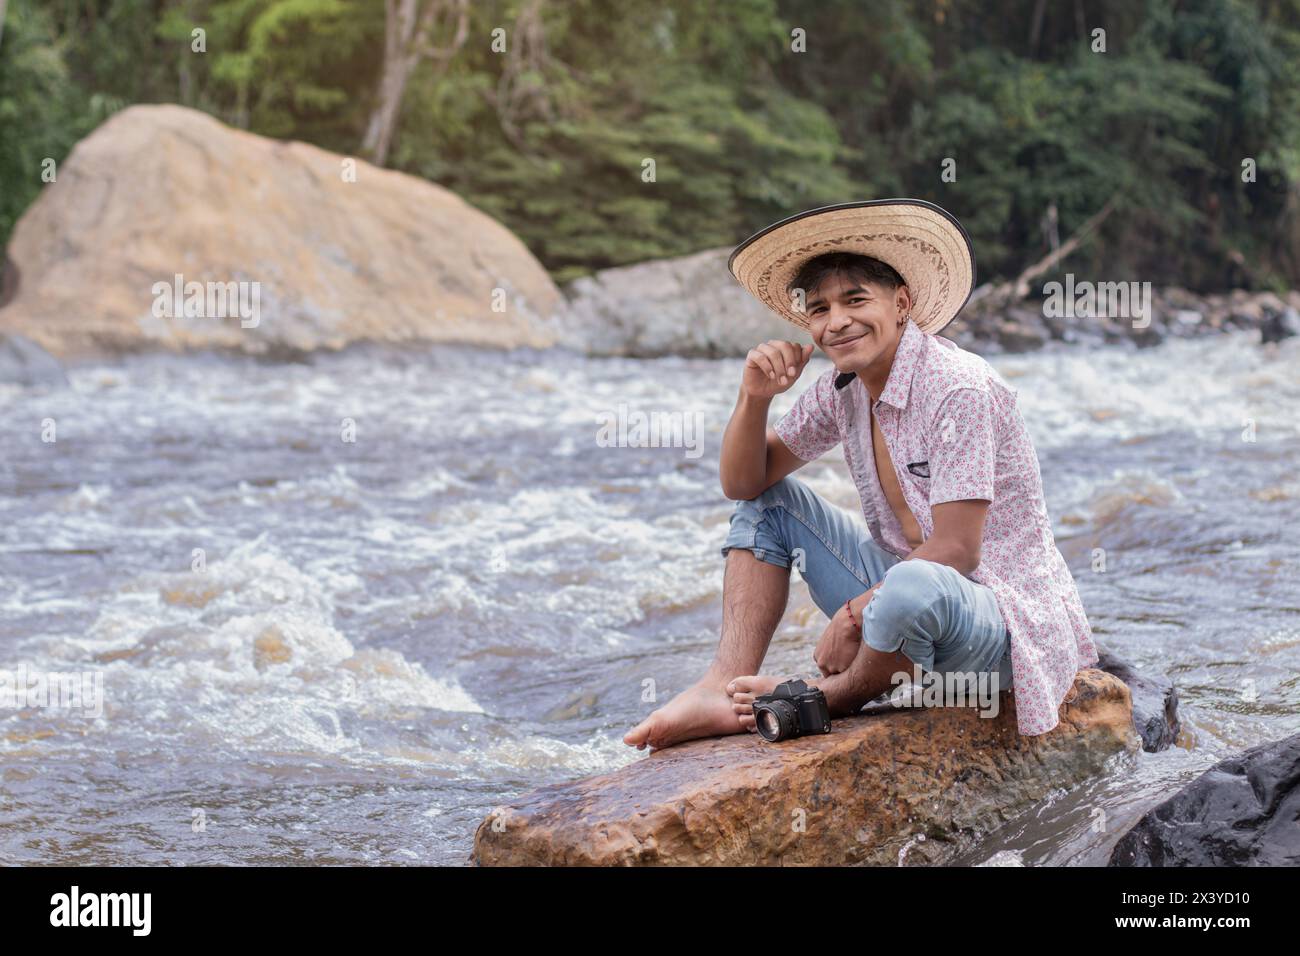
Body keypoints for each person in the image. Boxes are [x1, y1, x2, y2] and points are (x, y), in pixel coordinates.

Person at [624, 198, 1097, 751]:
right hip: (902, 617)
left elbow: (958, 550)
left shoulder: (957, 387)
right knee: (772, 504)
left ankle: (831, 695)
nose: (837, 321)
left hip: (995, 625)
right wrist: (753, 398)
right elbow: (744, 485)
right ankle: (717, 688)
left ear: (902, 303)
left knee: (914, 584)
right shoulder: (841, 389)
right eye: (820, 309)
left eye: (855, 299)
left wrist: (853, 613)